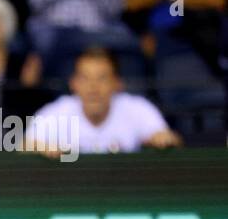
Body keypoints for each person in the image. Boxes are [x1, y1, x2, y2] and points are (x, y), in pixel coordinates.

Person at [28, 46, 180, 153]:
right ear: (73, 83)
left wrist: (164, 140)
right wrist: (40, 148)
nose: (93, 87)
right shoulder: (55, 112)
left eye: (102, 78)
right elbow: (25, 146)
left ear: (117, 83)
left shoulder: (138, 108)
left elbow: (168, 140)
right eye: (85, 78)